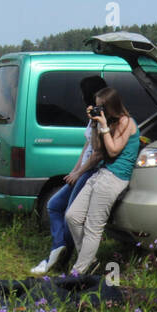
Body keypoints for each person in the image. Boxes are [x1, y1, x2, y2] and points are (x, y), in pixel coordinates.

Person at [30, 76, 106, 275]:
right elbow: (87, 146)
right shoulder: (92, 118)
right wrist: (74, 169)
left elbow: (98, 154)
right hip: (82, 169)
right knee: (54, 205)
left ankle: (59, 257)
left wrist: (80, 172)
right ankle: (59, 248)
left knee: (71, 215)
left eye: (82, 93)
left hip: (91, 171)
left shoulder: (102, 118)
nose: (80, 97)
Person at [64, 85, 140, 276]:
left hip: (115, 177)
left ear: (111, 106)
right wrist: (95, 124)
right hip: (101, 173)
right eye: (97, 107)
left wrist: (104, 125)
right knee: (72, 216)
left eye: (101, 107)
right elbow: (98, 149)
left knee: (93, 227)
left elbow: (113, 150)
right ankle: (91, 261)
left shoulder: (126, 122)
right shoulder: (108, 122)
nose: (99, 110)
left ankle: (78, 273)